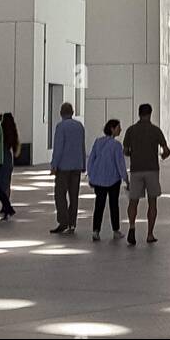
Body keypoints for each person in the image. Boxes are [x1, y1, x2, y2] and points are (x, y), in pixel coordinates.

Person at [123, 103, 170, 246]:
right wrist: (162, 156)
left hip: (136, 169)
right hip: (152, 170)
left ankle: (132, 226)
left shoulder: (131, 130)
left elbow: (125, 150)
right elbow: (166, 150)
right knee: (152, 202)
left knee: (133, 201)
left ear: (139, 114)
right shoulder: (156, 131)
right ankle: (149, 234)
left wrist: (133, 154)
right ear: (150, 114)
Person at [87, 120, 128, 241]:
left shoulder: (98, 142)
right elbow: (120, 164)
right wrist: (126, 178)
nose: (120, 129)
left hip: (99, 179)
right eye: (118, 127)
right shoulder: (116, 146)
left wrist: (91, 175)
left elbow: (91, 160)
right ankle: (116, 230)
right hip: (113, 180)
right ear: (112, 128)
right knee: (113, 205)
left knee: (99, 205)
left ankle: (96, 231)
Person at [50, 102, 86, 234]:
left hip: (63, 167)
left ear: (61, 112)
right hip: (76, 165)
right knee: (74, 195)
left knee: (60, 194)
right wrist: (83, 164)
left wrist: (54, 165)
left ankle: (63, 221)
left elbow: (58, 147)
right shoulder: (79, 126)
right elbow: (82, 146)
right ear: (72, 112)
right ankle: (72, 223)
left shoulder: (61, 127)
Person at [0, 113, 21, 199]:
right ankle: (6, 203)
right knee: (6, 183)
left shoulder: (0, 129)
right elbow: (17, 147)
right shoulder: (13, 132)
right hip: (8, 158)